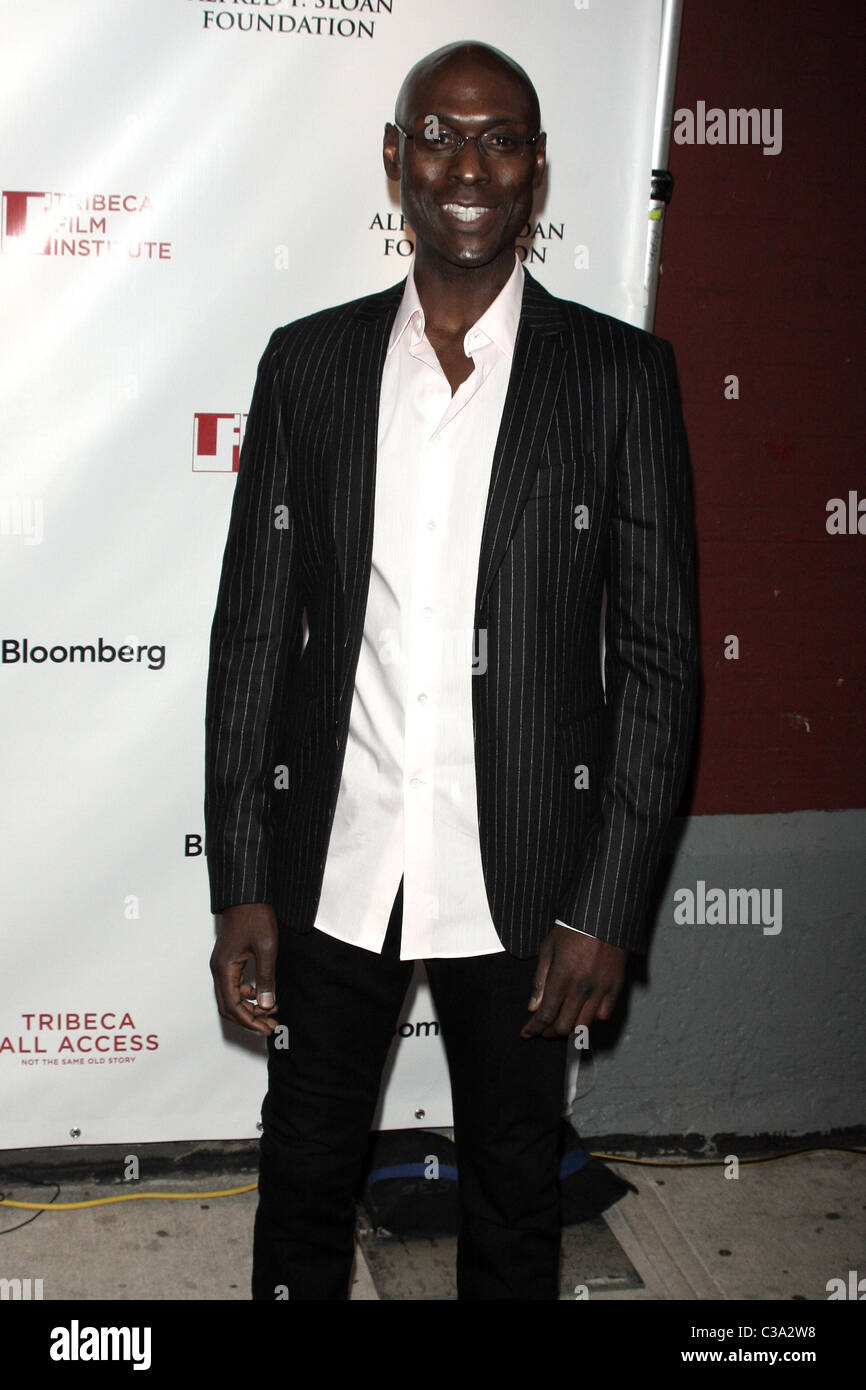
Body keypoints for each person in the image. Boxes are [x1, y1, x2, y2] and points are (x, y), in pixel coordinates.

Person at [205, 40, 699, 1301]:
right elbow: (253, 637)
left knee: (512, 1193)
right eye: (438, 133)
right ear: (394, 156)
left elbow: (657, 663)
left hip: (529, 876)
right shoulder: (306, 368)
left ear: (536, 171)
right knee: (305, 1174)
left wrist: (606, 907)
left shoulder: (616, 378)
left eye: (499, 139)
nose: (465, 165)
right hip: (337, 855)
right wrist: (241, 881)